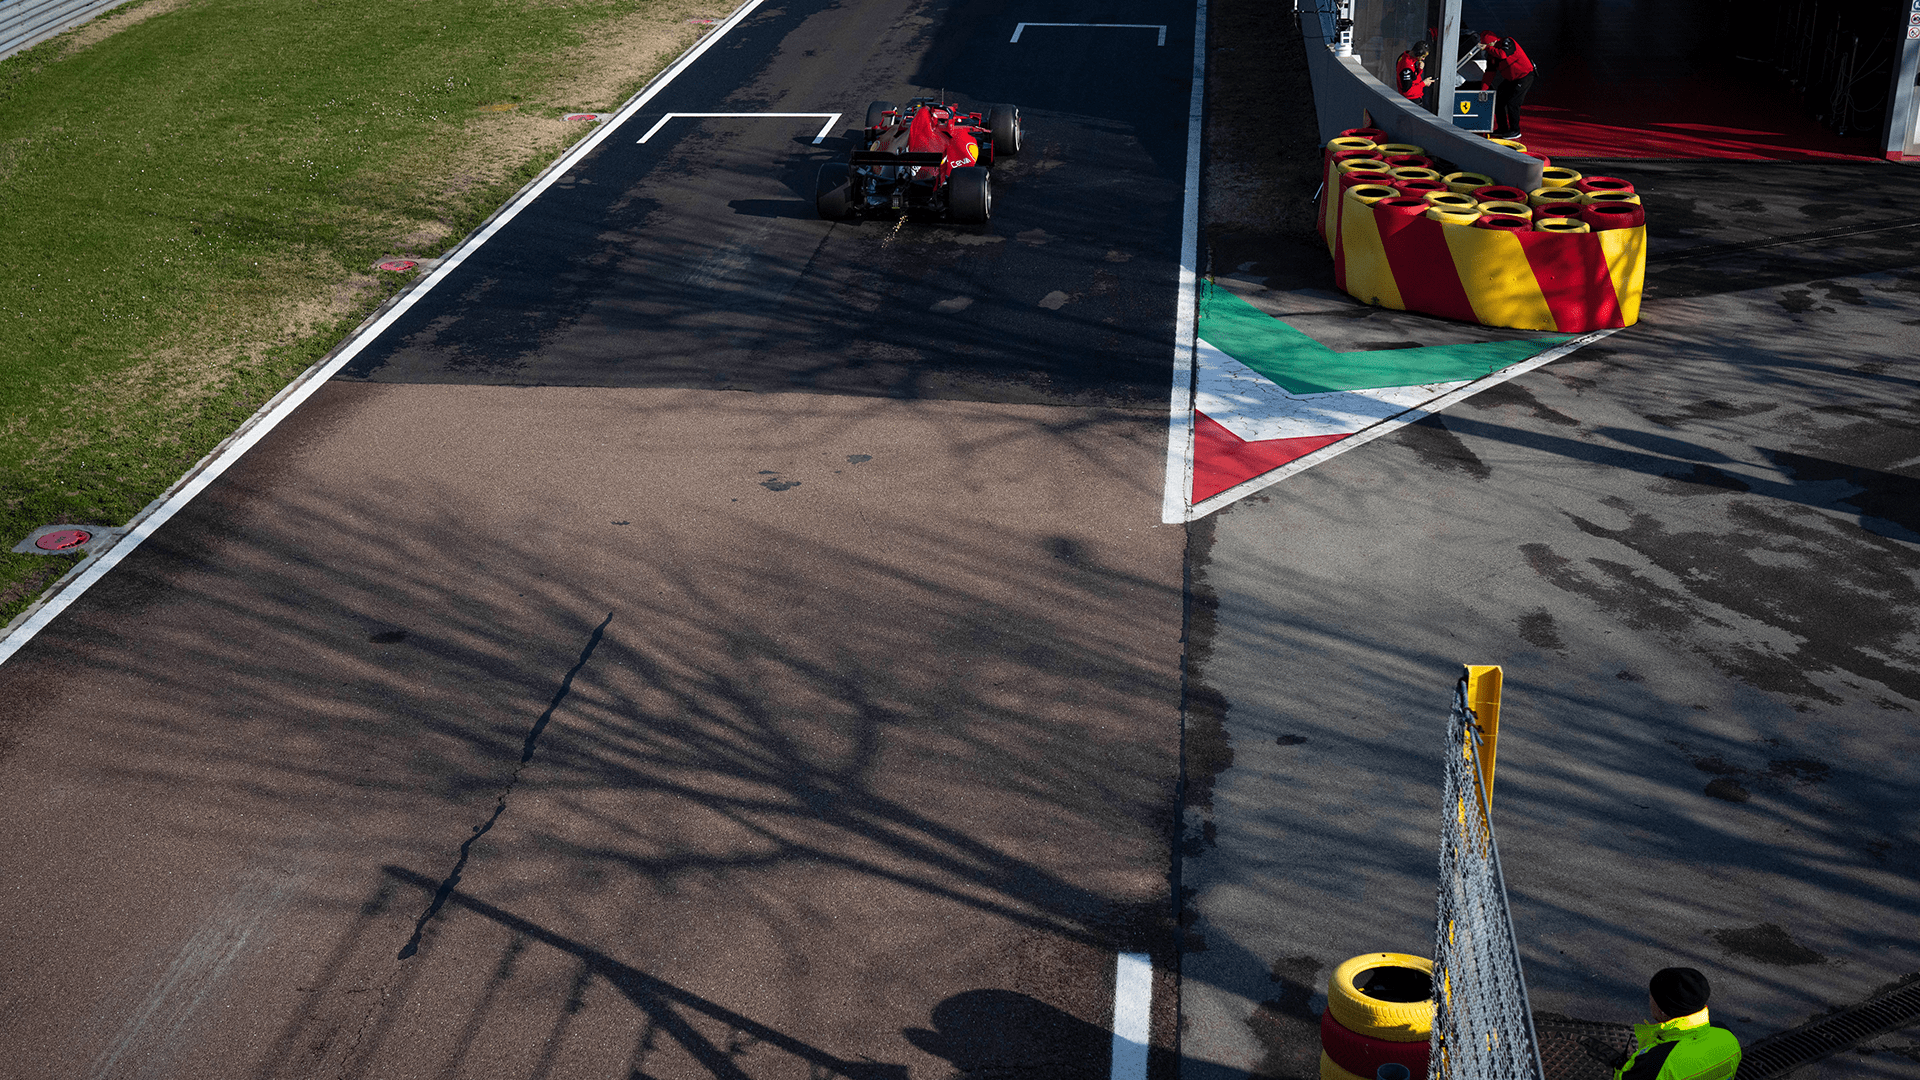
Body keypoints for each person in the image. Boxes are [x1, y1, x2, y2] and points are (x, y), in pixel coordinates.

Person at [1584, 968, 1743, 1080]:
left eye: (1651, 997)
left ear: (1662, 1011)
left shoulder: (1658, 1062)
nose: (1649, 1000)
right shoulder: (1725, 1034)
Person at [1477, 30, 1536, 139]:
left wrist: (1486, 48)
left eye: (1489, 44)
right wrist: (1483, 90)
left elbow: (1503, 55)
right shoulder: (1491, 54)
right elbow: (1490, 73)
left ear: (1494, 41)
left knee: (1513, 103)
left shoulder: (1508, 41)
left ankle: (1515, 130)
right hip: (1511, 79)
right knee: (1498, 100)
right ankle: (1502, 128)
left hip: (1524, 76)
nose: (1489, 47)